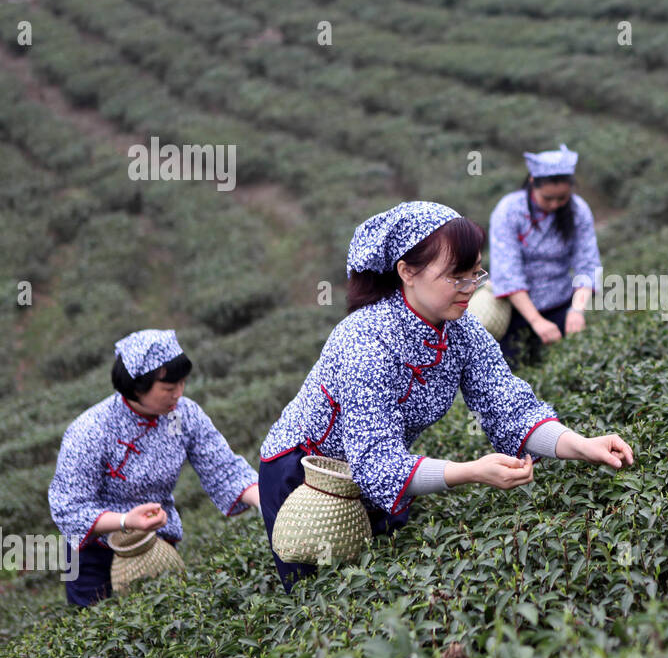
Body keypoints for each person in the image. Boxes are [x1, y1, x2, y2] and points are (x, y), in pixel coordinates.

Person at [258, 201, 633, 590]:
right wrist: (471, 472)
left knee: (384, 581)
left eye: (475, 274)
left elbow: (510, 409)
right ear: (407, 272)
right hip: (307, 476)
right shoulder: (365, 341)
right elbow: (377, 462)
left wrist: (582, 445)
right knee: (321, 598)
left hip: (379, 471)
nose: (471, 288)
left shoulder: (461, 330)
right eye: (456, 276)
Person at [47, 330, 260, 607]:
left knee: (166, 625)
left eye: (182, 384)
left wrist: (264, 502)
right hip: (93, 554)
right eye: (169, 389)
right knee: (98, 634)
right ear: (137, 386)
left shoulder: (181, 416)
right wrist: (125, 521)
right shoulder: (91, 430)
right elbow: (68, 507)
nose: (178, 395)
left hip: (155, 544)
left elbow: (223, 469)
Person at [488, 144, 602, 367]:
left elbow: (587, 264)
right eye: (548, 198)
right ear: (532, 182)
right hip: (517, 312)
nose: (555, 205)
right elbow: (508, 271)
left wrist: (577, 310)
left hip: (561, 305)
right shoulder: (509, 210)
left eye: (562, 198)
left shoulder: (578, 210)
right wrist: (536, 321)